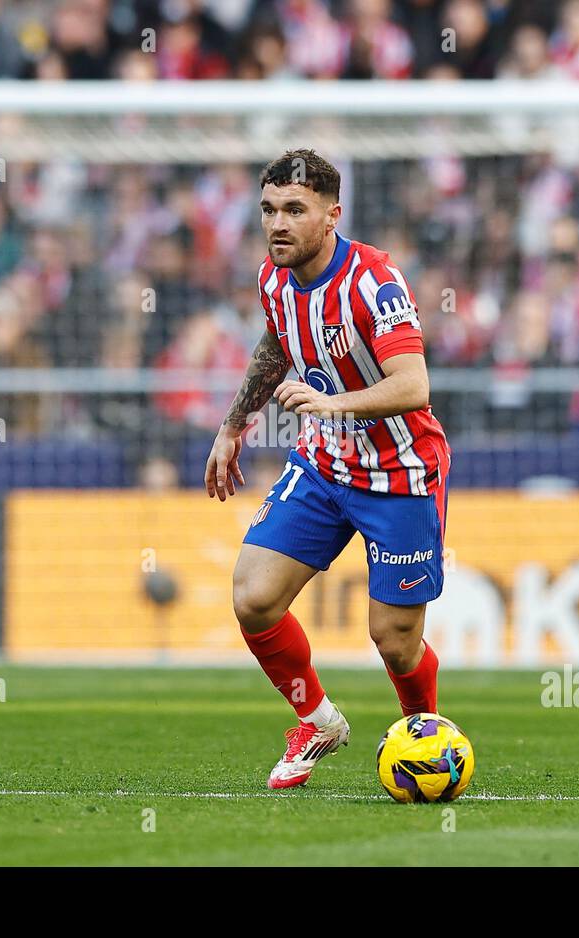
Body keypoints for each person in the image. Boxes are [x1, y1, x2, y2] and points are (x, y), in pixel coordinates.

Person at [205, 149, 451, 789]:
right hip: (323, 465)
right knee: (254, 598)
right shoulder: (273, 279)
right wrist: (233, 426)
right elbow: (275, 342)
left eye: (294, 210)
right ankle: (317, 720)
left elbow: (414, 385)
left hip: (399, 472)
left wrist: (331, 403)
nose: (277, 224)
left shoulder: (375, 281)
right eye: (268, 210)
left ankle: (424, 741)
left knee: (394, 641)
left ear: (331, 214)